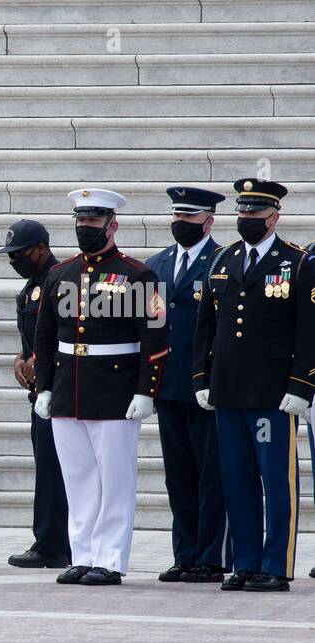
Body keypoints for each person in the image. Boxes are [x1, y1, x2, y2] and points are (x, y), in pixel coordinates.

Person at [33, 188, 169, 586]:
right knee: (78, 479)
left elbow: (157, 337)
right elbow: (43, 338)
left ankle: (109, 558)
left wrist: (147, 390)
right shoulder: (60, 273)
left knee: (115, 480)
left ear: (113, 225)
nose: (85, 228)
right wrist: (44, 387)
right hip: (67, 388)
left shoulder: (138, 274)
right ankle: (83, 554)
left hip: (114, 390)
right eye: (81, 221)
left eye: (92, 221)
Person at [193, 179, 314, 592]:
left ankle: (275, 564)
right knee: (236, 478)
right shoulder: (223, 259)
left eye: (256, 216)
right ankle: (245, 561)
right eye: (242, 214)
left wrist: (301, 385)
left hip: (272, 393)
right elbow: (205, 326)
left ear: (274, 217)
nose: (247, 221)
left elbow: (308, 331)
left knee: (276, 480)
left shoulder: (296, 261)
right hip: (228, 390)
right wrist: (201, 379)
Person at [144, 186, 230, 584]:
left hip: (209, 387)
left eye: (190, 218)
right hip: (169, 386)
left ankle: (212, 557)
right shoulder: (157, 265)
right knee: (178, 475)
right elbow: (152, 326)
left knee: (211, 474)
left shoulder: (223, 261)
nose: (181, 223)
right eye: (176, 216)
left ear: (208, 221)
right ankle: (186, 553)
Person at [0, 219, 69, 569]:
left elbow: (71, 332)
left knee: (58, 470)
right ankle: (50, 540)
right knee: (47, 468)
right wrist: (20, 361)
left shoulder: (63, 280)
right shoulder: (30, 289)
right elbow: (28, 340)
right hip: (40, 393)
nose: (14, 261)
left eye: (19, 254)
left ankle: (55, 544)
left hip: (62, 390)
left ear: (41, 248)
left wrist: (42, 359)